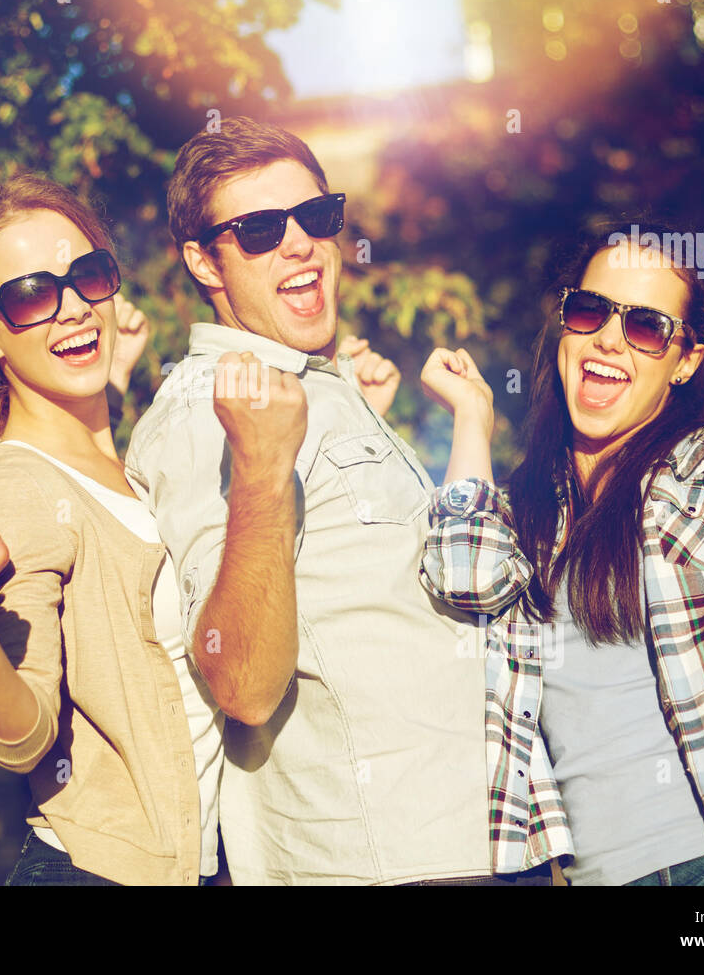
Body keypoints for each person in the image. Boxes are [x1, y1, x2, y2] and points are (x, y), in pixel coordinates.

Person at [420, 134, 704, 886]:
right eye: (591, 311)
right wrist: (472, 420)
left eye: (649, 325)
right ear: (565, 324)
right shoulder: (530, 511)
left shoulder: (701, 469)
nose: (611, 341)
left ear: (685, 360)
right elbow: (460, 575)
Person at [124, 116, 536, 886]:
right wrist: (257, 476)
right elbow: (239, 679)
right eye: (256, 229)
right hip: (386, 859)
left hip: (477, 840)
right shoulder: (202, 414)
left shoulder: (320, 382)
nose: (298, 243)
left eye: (316, 217)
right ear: (203, 263)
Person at [0, 175, 223, 886]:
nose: (73, 307)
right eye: (30, 295)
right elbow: (22, 737)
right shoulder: (17, 483)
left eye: (89, 275)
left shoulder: (122, 462)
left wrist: (118, 390)